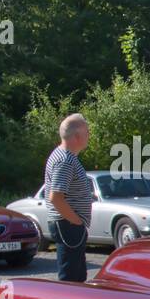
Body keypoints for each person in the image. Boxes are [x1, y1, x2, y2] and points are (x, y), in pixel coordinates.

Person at [45, 113, 93, 283]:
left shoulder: (66, 157)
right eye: (87, 132)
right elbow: (56, 197)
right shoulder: (64, 160)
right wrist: (76, 221)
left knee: (78, 275)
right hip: (68, 225)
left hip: (69, 224)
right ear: (77, 136)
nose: (89, 136)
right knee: (71, 277)